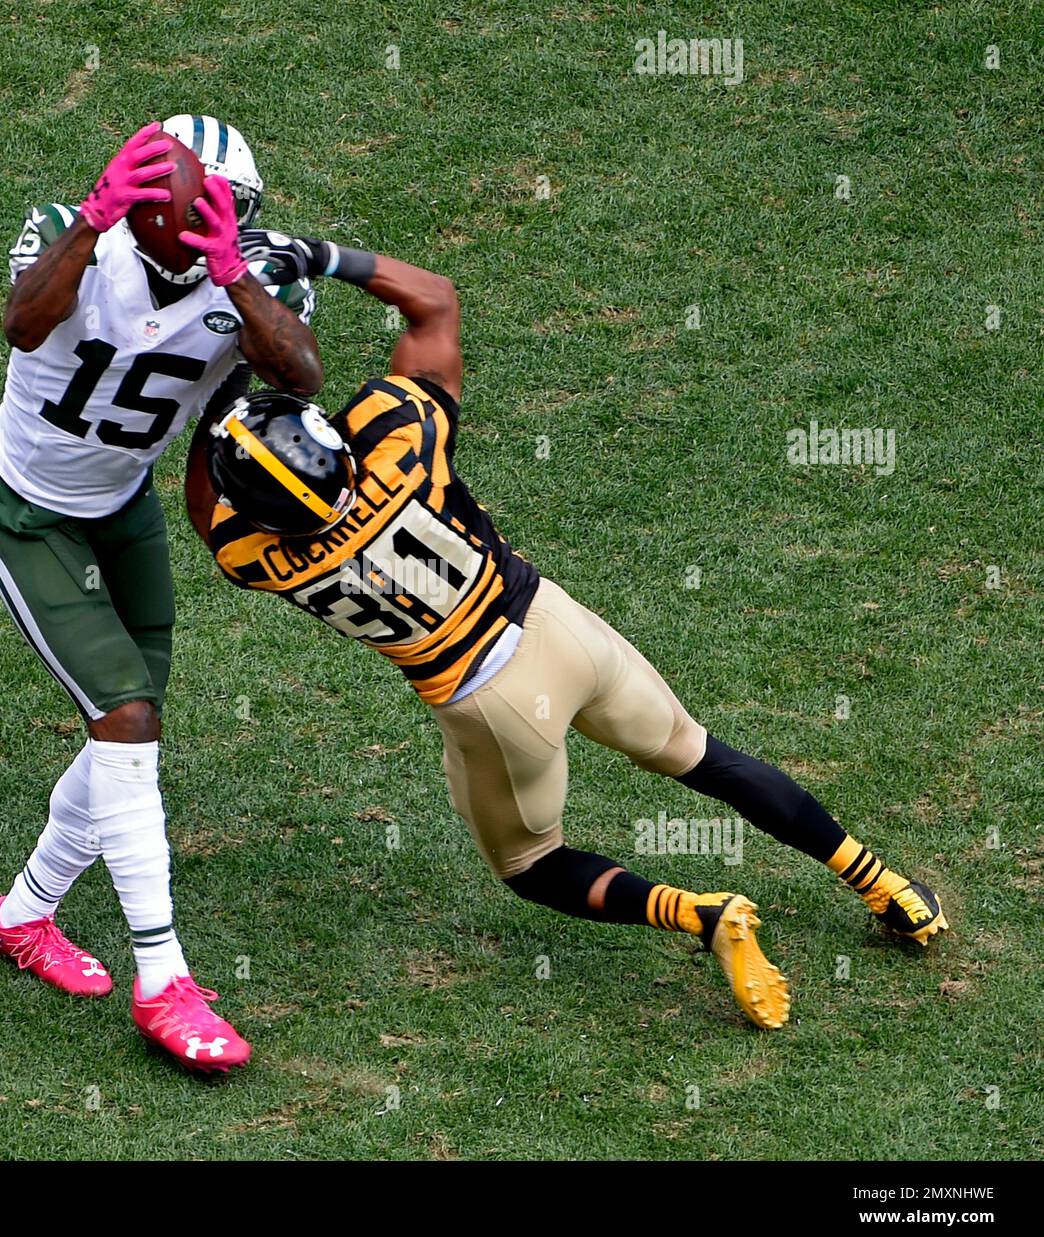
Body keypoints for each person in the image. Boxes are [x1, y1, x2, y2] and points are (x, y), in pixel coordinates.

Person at [183, 236, 948, 1032]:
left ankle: (704, 913)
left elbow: (207, 514)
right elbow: (434, 301)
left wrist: (210, 392)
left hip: (491, 704)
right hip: (559, 627)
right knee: (703, 756)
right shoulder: (397, 440)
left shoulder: (259, 556)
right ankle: (885, 884)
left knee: (530, 865)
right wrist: (317, 257)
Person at [0, 119, 322, 1072]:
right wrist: (94, 222)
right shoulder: (68, 233)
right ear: (145, 204)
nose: (226, 222)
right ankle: (162, 977)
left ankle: (24, 915)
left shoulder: (248, 278)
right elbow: (20, 322)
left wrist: (232, 273)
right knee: (124, 716)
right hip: (25, 508)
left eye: (234, 209)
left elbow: (297, 373)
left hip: (122, 509)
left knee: (132, 726)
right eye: (204, 207)